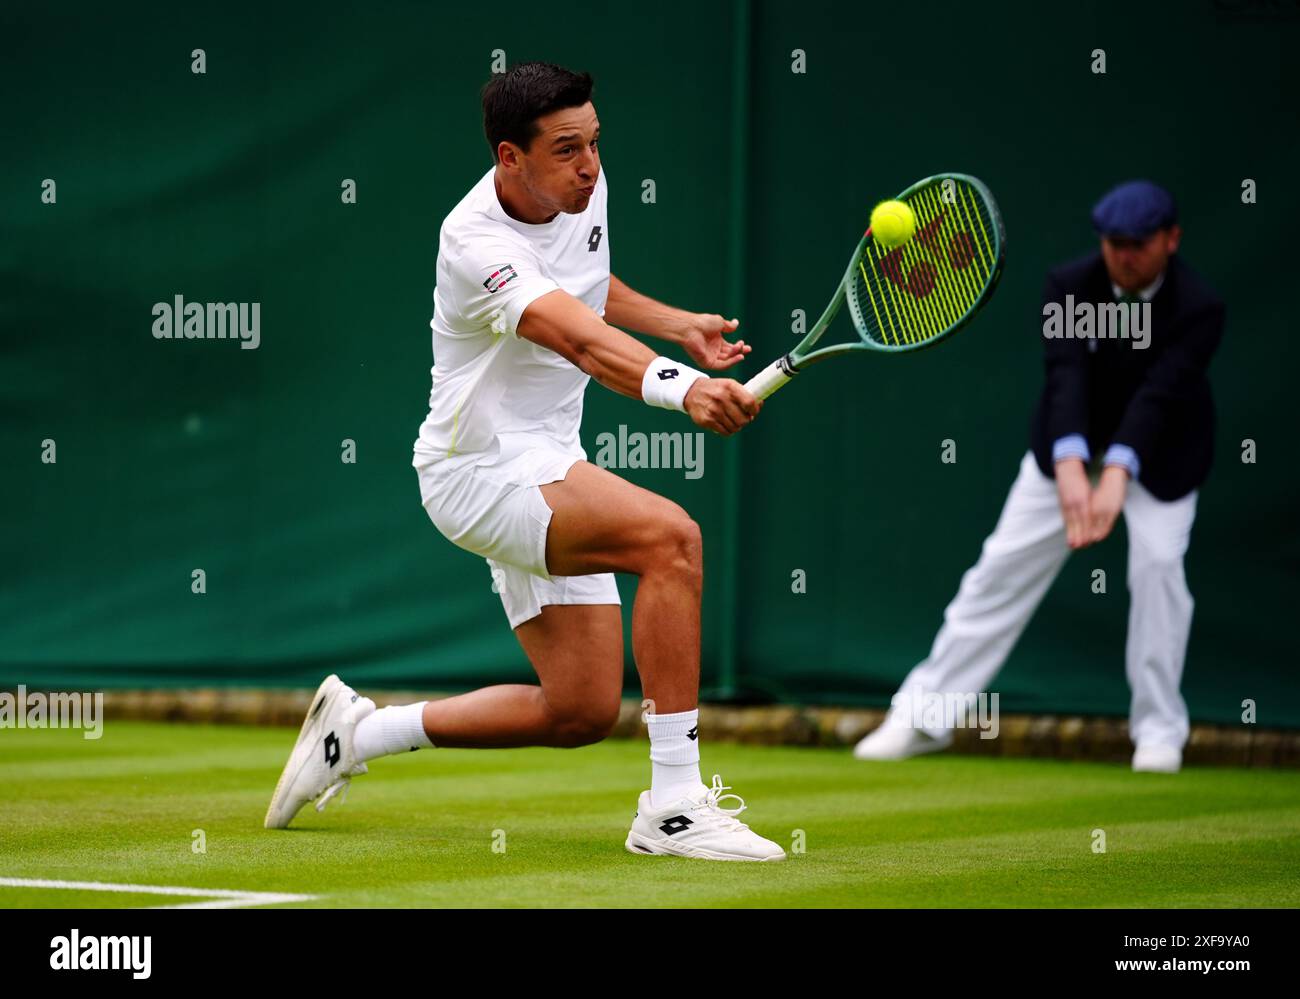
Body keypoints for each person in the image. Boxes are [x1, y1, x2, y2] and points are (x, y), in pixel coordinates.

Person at [265, 62, 784, 860]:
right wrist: (683, 390)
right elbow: (572, 334)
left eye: (597, 144)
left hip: (551, 459)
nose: (590, 167)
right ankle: (674, 806)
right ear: (511, 158)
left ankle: (359, 732)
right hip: (479, 470)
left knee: (578, 711)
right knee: (671, 540)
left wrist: (678, 324)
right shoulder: (473, 241)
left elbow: (587, 290)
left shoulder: (581, 189)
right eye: (567, 150)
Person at [853, 179, 1226, 774]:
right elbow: (1067, 376)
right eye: (1113, 243)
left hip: (1163, 458)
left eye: (1137, 243)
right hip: (1064, 449)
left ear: (1170, 239)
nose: (1124, 255)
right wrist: (1073, 465)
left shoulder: (1199, 306)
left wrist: (1116, 473)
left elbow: (1161, 394)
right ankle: (922, 717)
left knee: (1158, 570)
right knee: (999, 569)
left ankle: (1159, 731)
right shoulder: (1070, 285)